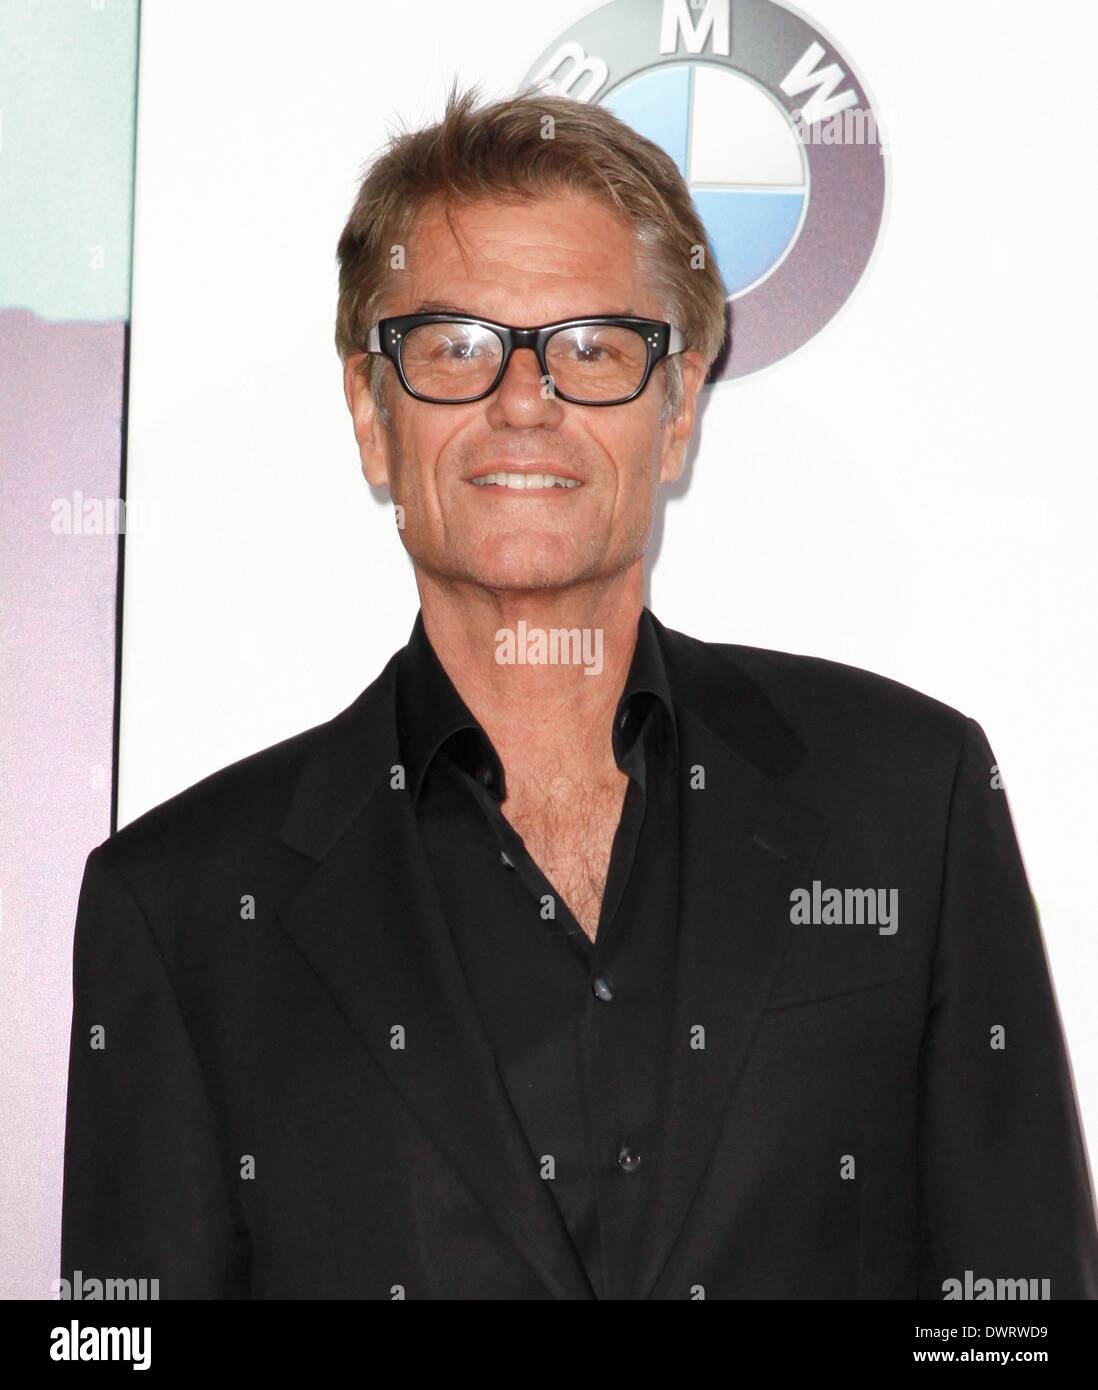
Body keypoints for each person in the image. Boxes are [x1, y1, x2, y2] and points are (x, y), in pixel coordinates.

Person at [60, 85, 1098, 1300]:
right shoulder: (181, 906)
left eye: (593, 349)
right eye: (455, 346)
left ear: (677, 410)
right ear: (370, 415)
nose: (523, 403)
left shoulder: (910, 798)